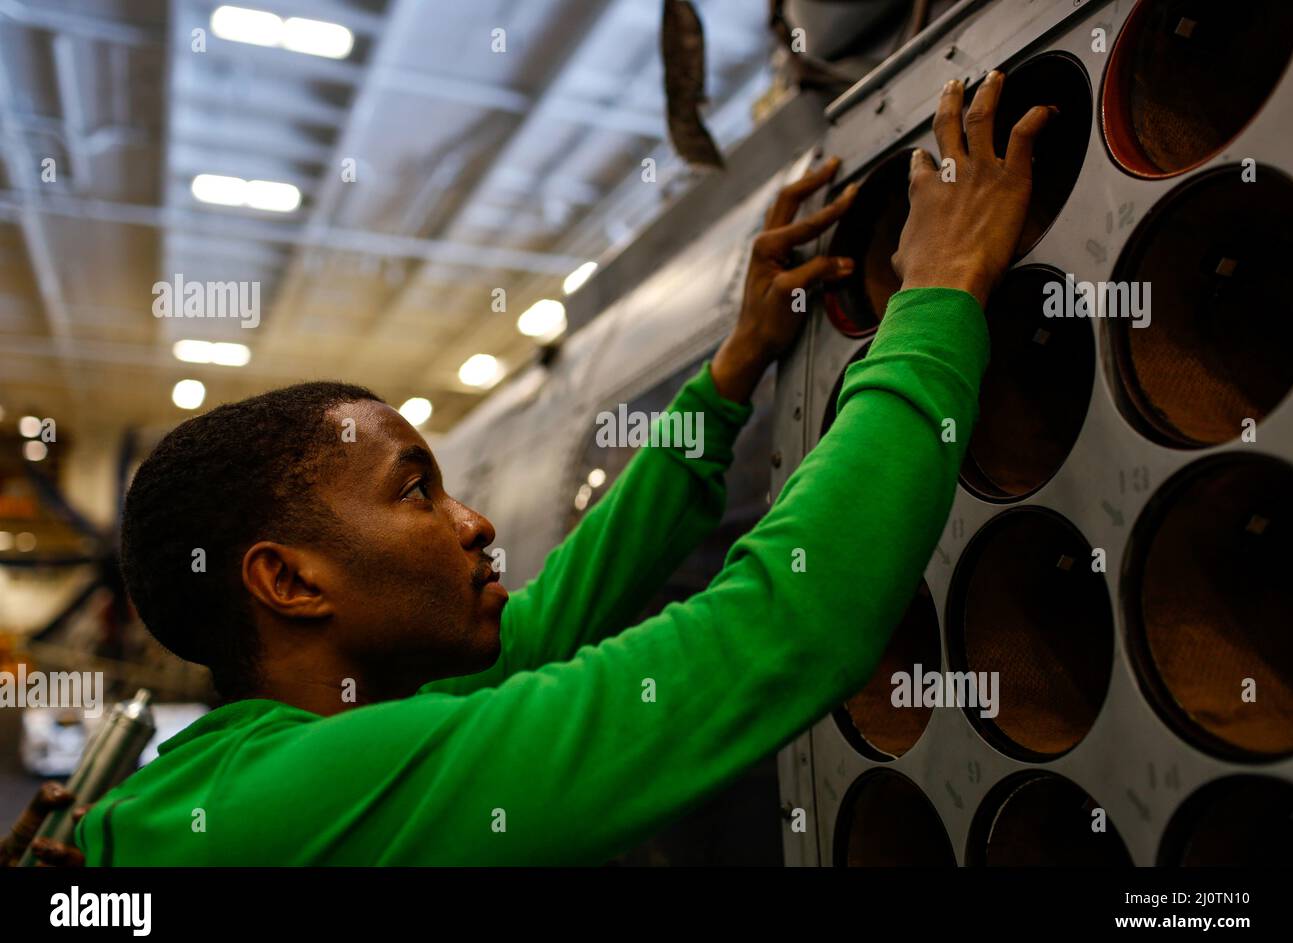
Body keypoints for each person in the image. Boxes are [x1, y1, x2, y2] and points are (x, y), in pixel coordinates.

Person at [76, 73, 1050, 865]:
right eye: (415, 491)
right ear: (288, 581)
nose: (476, 523)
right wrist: (940, 292)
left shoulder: (246, 765)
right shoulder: (317, 793)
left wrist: (728, 375)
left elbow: (553, 616)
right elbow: (775, 630)